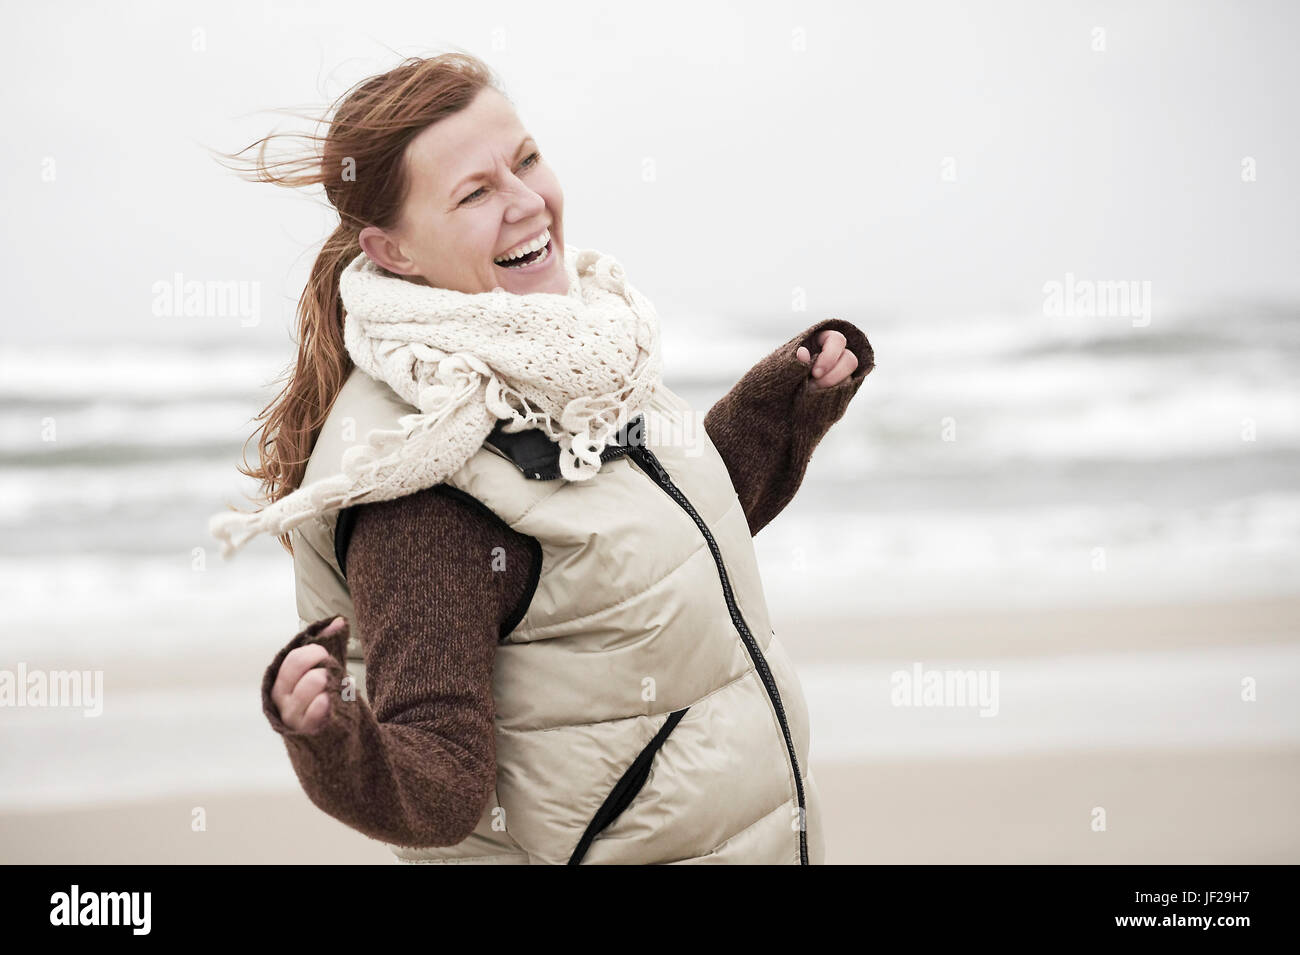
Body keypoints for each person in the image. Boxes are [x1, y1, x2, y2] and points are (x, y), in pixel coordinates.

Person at [209, 51, 873, 864]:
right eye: (476, 192)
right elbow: (438, 783)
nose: (528, 202)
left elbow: (652, 556)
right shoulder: (425, 483)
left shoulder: (575, 351)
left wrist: (780, 409)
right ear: (395, 252)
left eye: (524, 161)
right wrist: (335, 739)